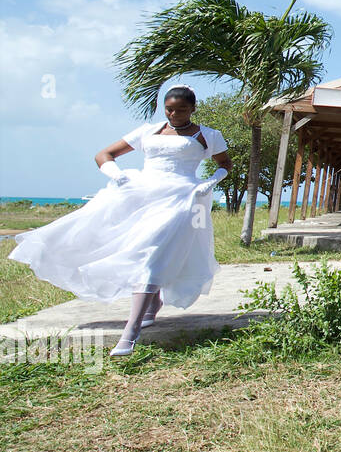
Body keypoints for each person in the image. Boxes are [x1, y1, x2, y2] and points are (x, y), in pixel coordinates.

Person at [9, 84, 232, 357]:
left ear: (193, 109)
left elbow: (225, 164)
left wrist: (210, 182)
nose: (174, 115)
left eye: (181, 110)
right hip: (141, 195)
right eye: (169, 109)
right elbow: (104, 154)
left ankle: (131, 332)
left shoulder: (207, 135)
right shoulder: (146, 131)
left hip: (182, 198)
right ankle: (151, 306)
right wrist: (117, 175)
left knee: (153, 256)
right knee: (135, 249)